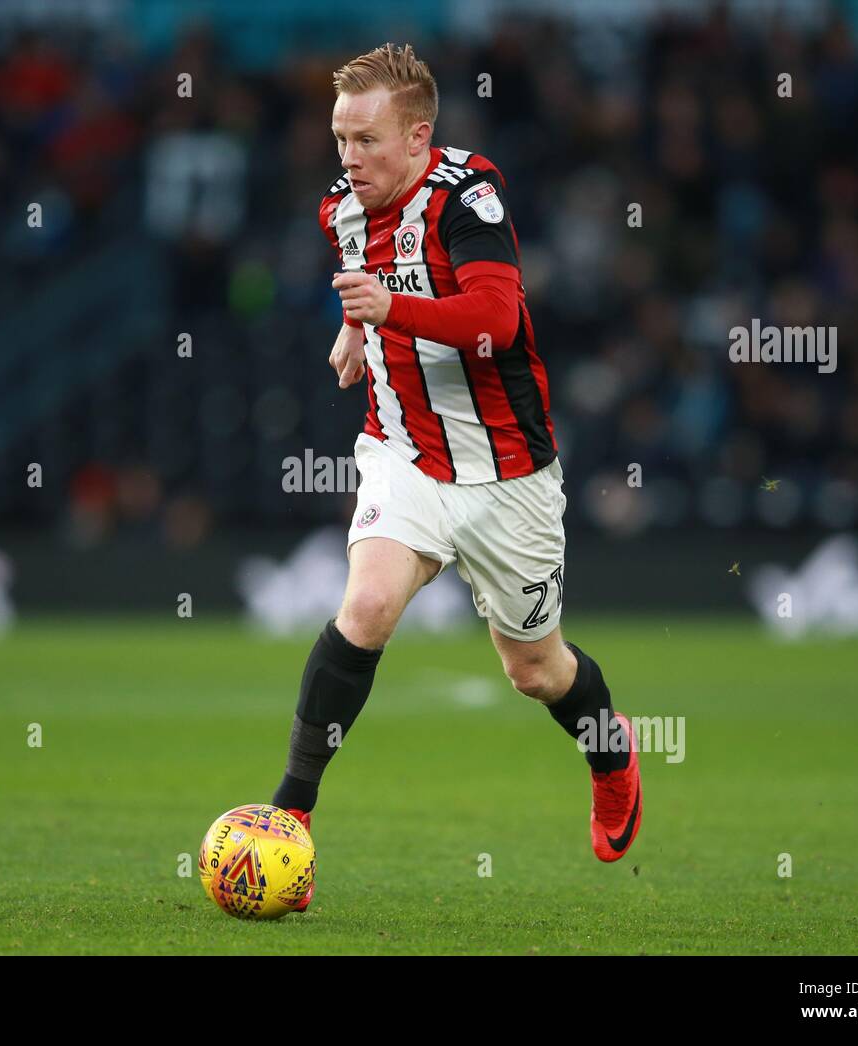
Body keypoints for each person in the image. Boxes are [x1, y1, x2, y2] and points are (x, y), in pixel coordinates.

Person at [272, 43, 641, 912]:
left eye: (365, 140)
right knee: (364, 610)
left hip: (507, 473)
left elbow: (496, 319)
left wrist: (385, 311)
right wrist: (358, 332)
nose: (349, 158)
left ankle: (609, 754)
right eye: (339, 139)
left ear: (417, 136)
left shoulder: (468, 197)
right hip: (402, 451)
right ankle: (290, 816)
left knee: (535, 671)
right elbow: (371, 281)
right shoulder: (341, 210)